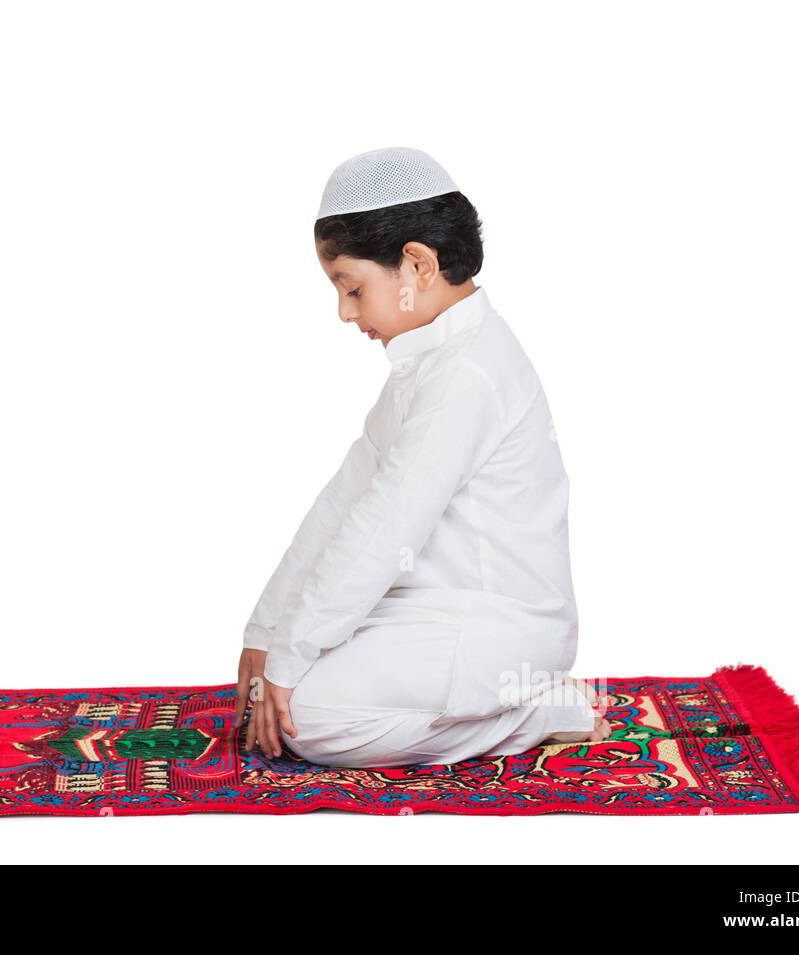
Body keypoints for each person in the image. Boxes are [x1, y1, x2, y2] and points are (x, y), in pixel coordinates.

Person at [235, 146, 610, 768]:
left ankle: (534, 710)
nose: (344, 312)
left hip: (500, 625)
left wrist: (293, 653)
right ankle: (495, 704)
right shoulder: (431, 360)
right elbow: (346, 501)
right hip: (430, 608)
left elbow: (386, 530)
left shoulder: (468, 374)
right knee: (281, 683)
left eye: (351, 287)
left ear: (417, 264)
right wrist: (268, 631)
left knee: (308, 718)